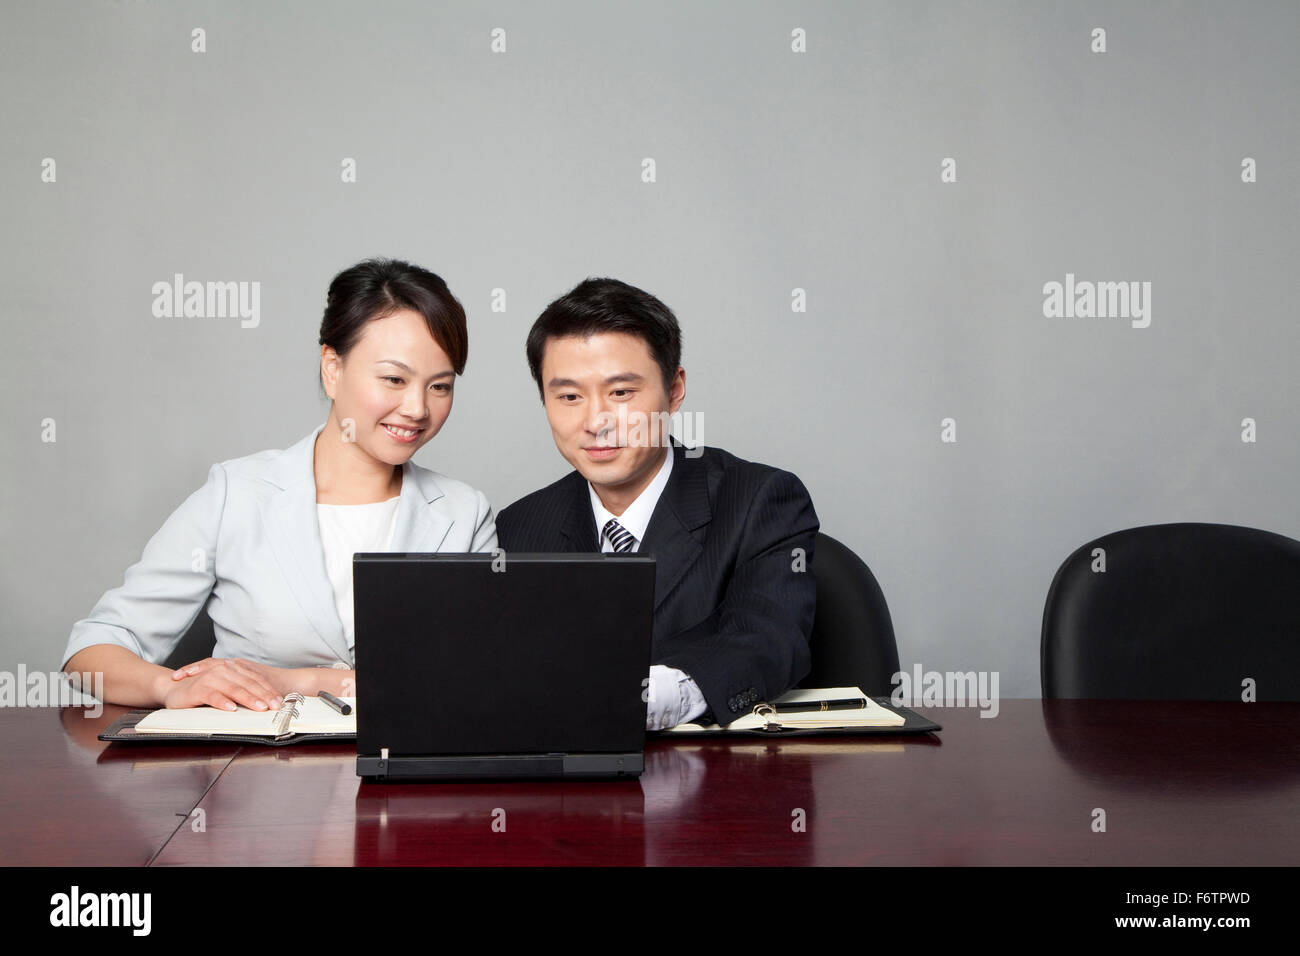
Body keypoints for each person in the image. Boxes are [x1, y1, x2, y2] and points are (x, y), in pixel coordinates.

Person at [63, 258, 497, 710]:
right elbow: (92, 650)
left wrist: (292, 679)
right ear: (332, 368)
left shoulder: (464, 515)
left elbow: (477, 675)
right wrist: (171, 687)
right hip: (252, 771)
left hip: (404, 774)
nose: (416, 408)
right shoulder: (237, 494)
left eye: (440, 387)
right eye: (394, 379)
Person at [495, 278, 819, 729]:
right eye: (569, 396)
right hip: (567, 786)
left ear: (674, 389)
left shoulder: (759, 500)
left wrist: (638, 698)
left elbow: (766, 642)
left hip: (715, 784)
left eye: (622, 393)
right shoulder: (519, 527)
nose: (596, 422)